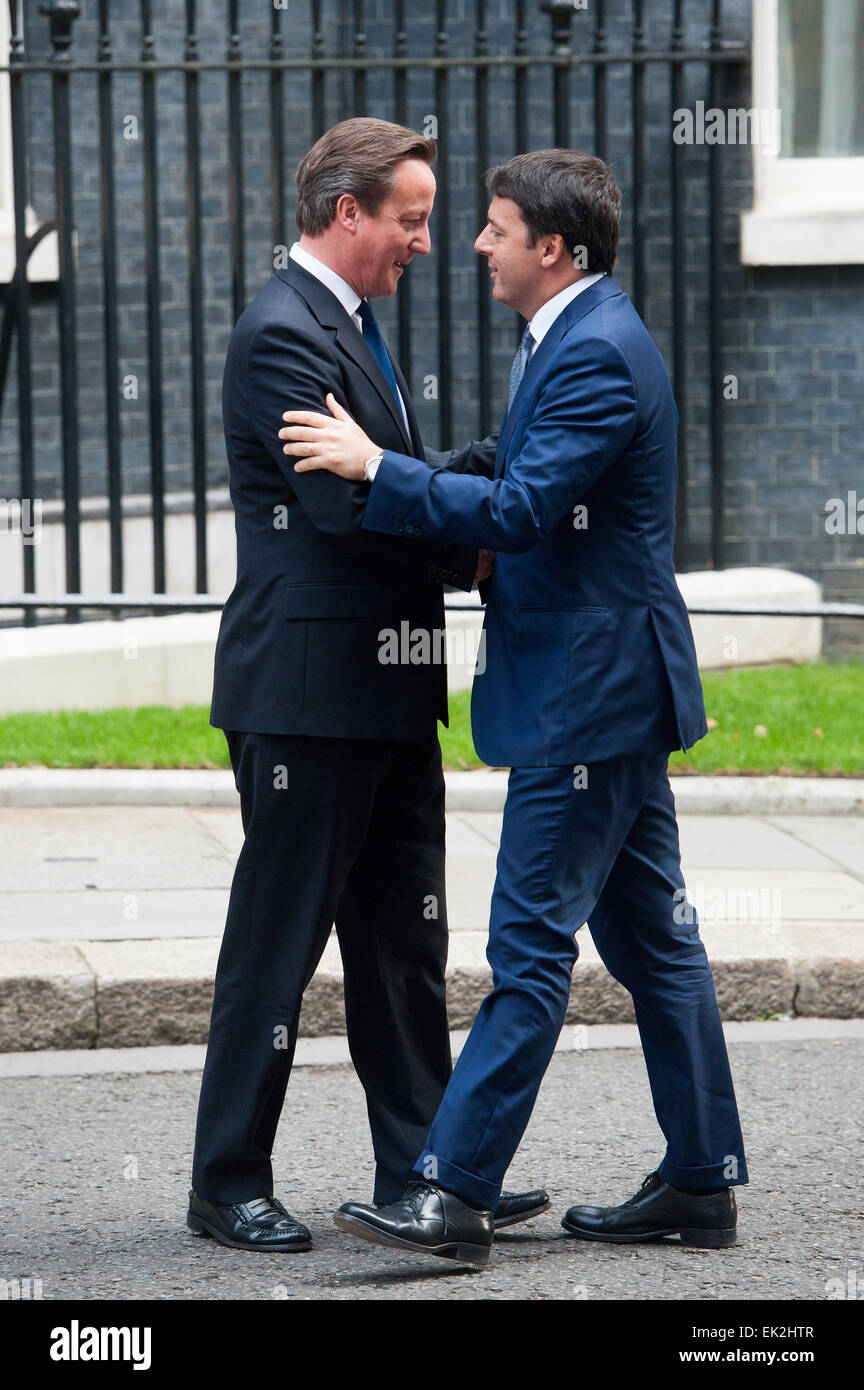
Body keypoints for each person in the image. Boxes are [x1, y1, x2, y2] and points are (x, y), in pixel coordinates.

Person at [279, 149, 749, 1270]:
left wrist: (374, 469)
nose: (473, 246)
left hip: (588, 700)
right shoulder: (575, 334)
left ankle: (454, 1194)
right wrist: (410, 467)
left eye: (493, 229)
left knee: (530, 947)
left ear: (553, 248)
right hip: (612, 690)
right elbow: (509, 463)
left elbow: (529, 505)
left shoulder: (593, 351)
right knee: (656, 946)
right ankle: (700, 1177)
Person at [188, 119, 546, 1254]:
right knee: (278, 944)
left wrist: (471, 478)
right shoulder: (281, 335)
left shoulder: (347, 324)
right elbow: (346, 508)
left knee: (402, 945)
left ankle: (426, 1172)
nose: (426, 244)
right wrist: (477, 540)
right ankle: (224, 1179)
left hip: (386, 693)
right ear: (348, 215)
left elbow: (384, 474)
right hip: (304, 698)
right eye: (408, 220)